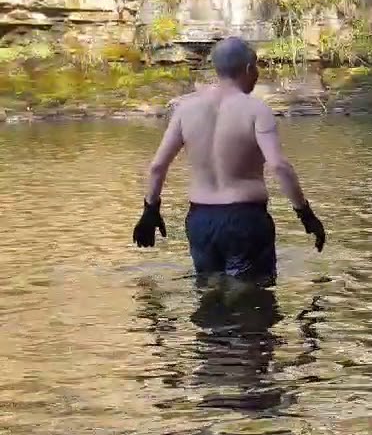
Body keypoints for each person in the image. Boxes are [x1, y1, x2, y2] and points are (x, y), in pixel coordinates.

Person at [132, 37, 325, 284]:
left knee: (209, 292)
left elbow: (158, 166)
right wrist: (306, 215)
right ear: (247, 69)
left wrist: (150, 210)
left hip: (201, 222)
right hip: (245, 220)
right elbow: (279, 166)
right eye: (256, 67)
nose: (257, 74)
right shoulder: (256, 110)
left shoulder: (185, 110)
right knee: (253, 299)